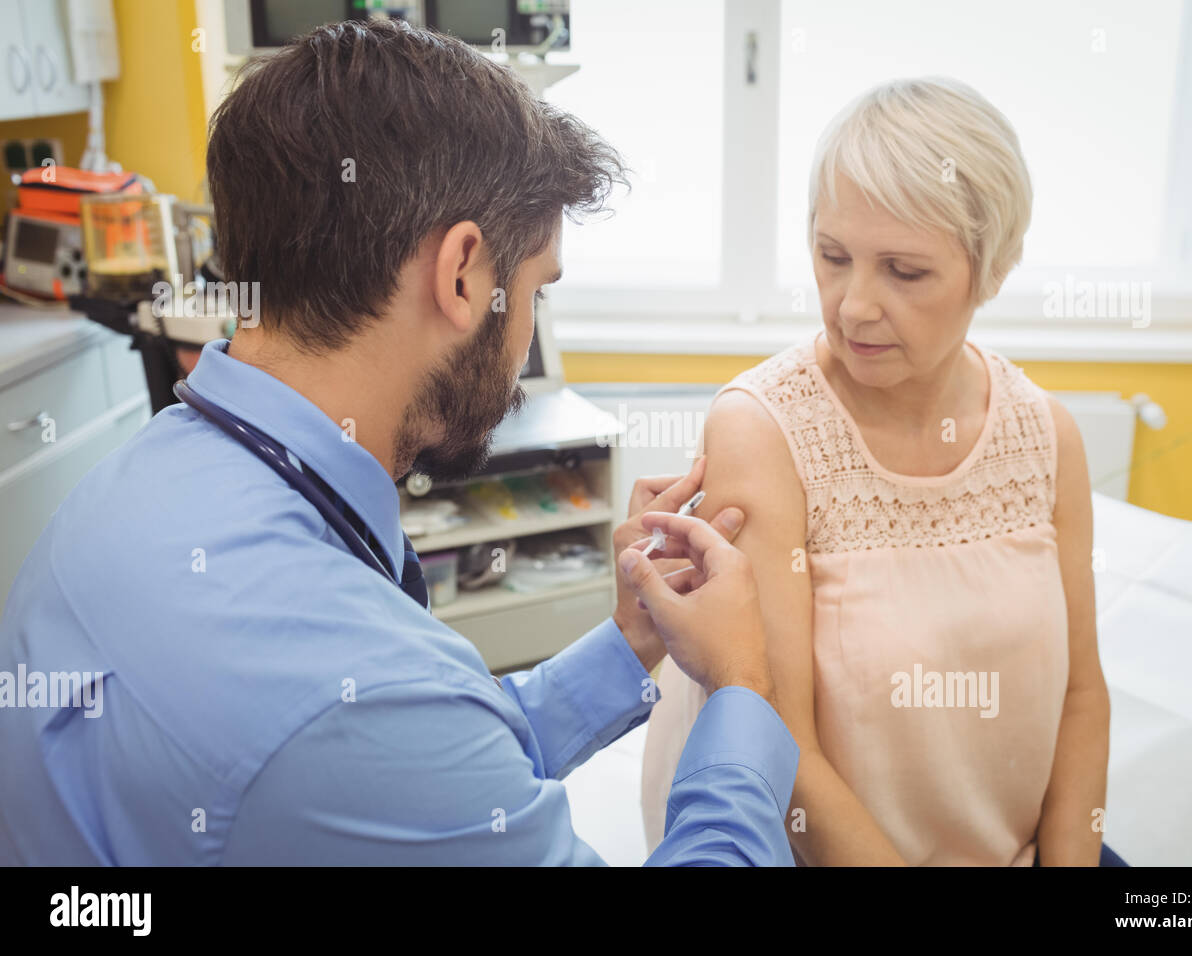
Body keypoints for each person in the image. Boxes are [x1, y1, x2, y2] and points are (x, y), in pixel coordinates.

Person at [0, 19, 798, 866]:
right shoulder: (358, 700)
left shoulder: (130, 485)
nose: (526, 335)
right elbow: (393, 751)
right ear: (461, 277)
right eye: (534, 289)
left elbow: (433, 782)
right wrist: (743, 691)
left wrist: (631, 643)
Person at [642, 77, 1119, 866]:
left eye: (904, 271)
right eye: (833, 257)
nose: (854, 304)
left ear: (993, 268)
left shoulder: (1045, 435)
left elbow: (1082, 697)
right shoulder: (762, 431)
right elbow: (778, 740)